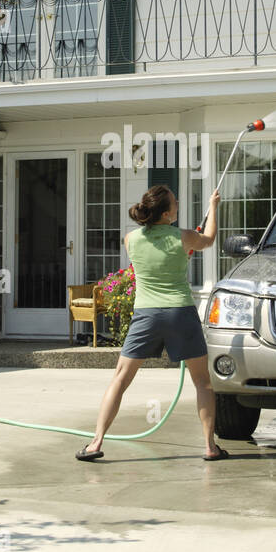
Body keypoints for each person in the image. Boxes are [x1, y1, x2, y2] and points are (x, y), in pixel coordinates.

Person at [77, 184, 226, 462]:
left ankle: (95, 443)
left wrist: (183, 244)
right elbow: (208, 239)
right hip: (179, 312)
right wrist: (213, 207)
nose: (178, 203)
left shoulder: (130, 239)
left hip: (146, 315)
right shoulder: (184, 237)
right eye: (175, 202)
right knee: (203, 382)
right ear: (168, 213)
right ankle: (209, 446)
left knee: (120, 380)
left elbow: (159, 256)